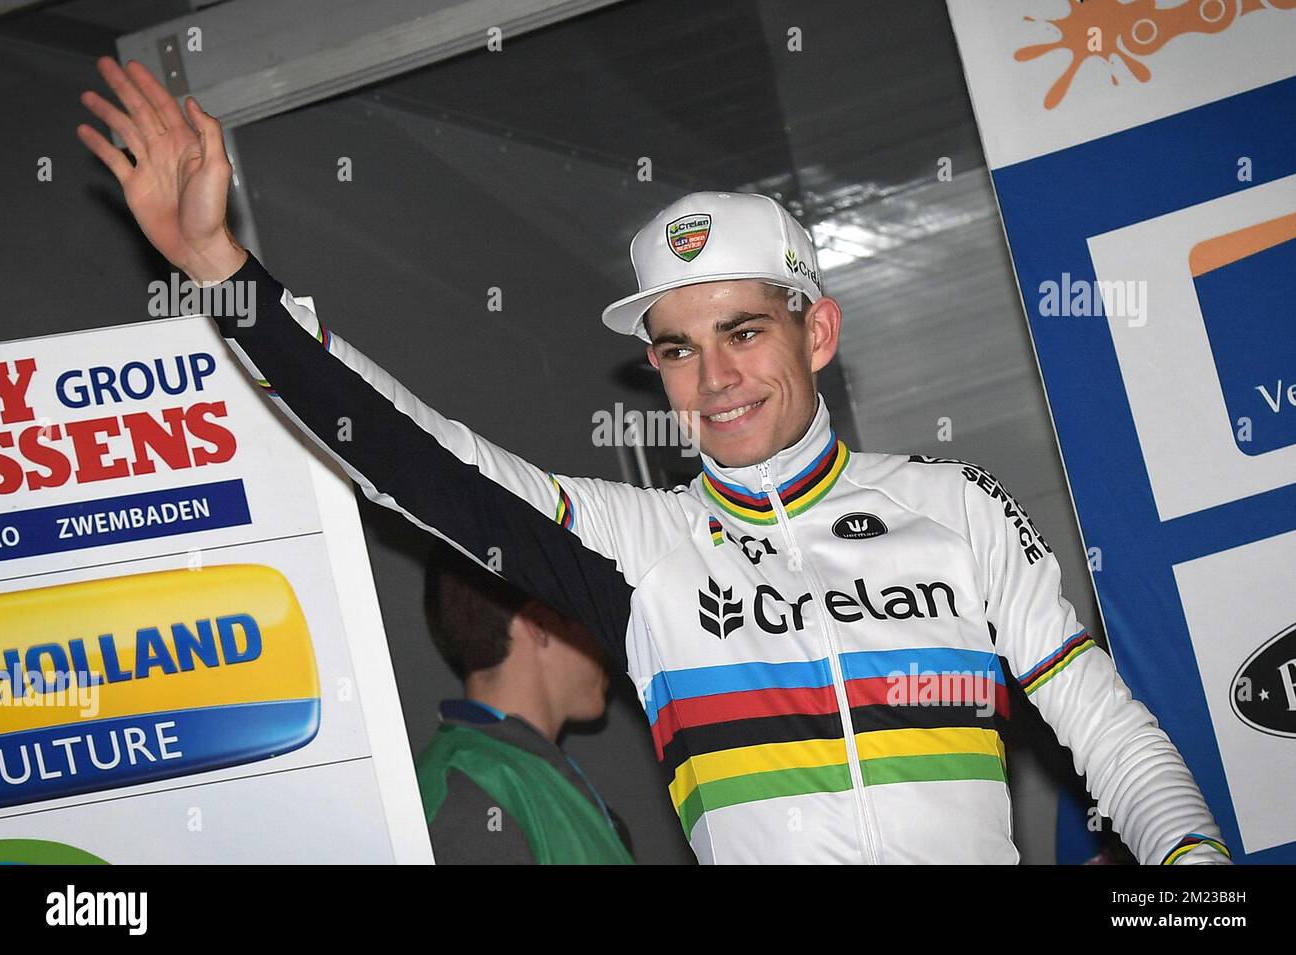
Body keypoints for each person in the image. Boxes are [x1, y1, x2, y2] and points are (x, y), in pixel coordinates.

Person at [75, 55, 1232, 864]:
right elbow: (409, 455)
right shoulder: (641, 547)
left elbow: (1105, 724)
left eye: (744, 332)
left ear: (816, 333)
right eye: (677, 350)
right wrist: (226, 271)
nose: (714, 379)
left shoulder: (955, 508)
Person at [418, 547, 633, 864]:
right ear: (540, 625)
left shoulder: (505, 775)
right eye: (589, 614)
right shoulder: (470, 794)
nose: (605, 641)